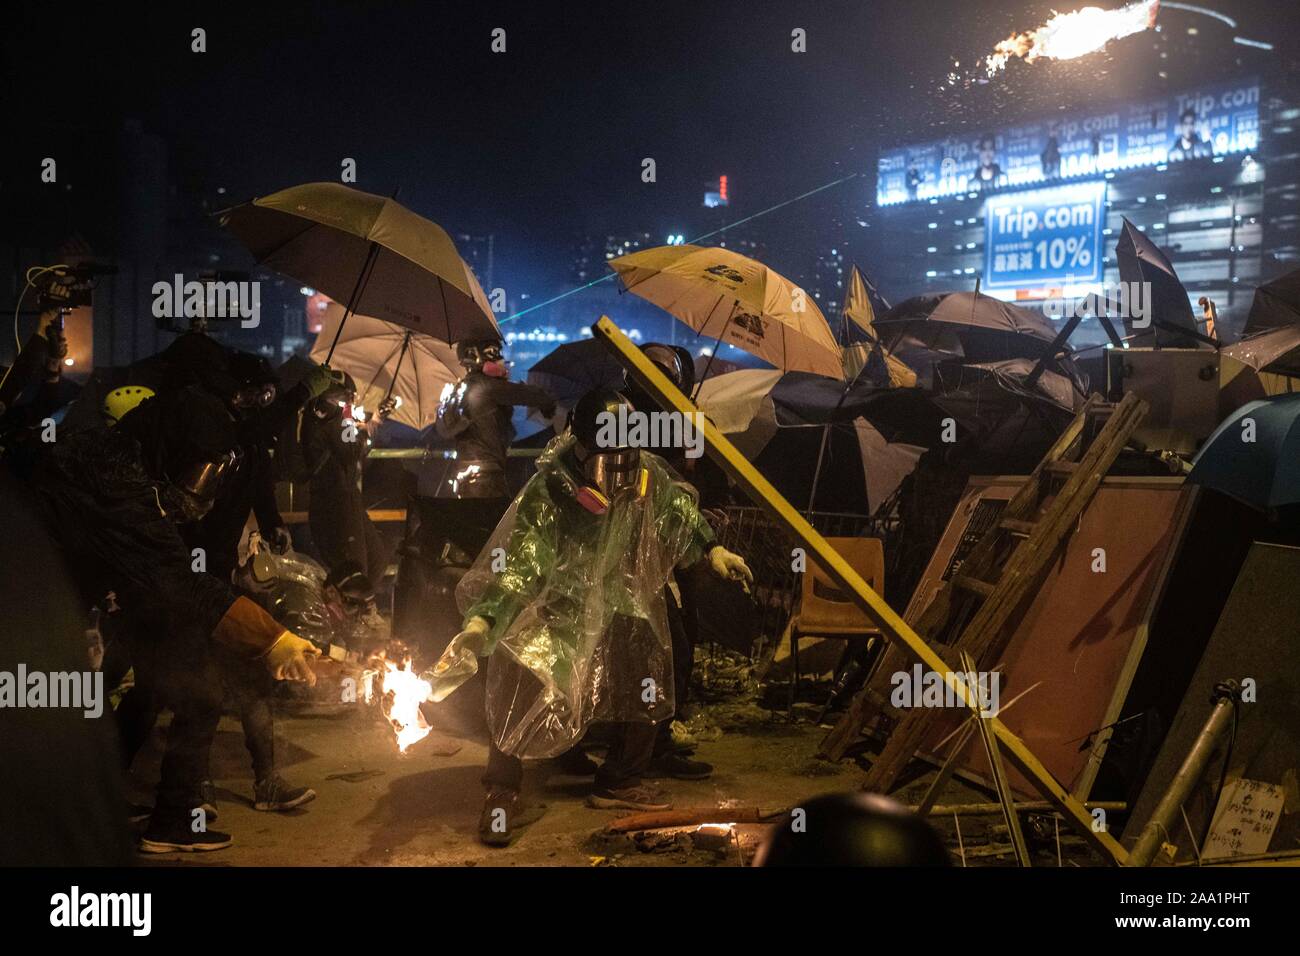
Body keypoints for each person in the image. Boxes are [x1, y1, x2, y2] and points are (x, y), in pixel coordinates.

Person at [429, 387, 752, 846]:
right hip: (558, 607)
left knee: (651, 664)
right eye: (607, 464)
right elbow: (520, 566)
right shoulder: (550, 494)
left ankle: (620, 778)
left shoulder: (645, 475)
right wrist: (483, 623)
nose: (617, 478)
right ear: (581, 452)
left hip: (616, 599)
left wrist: (711, 548)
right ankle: (503, 788)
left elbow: (676, 511)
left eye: (626, 461)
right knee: (521, 671)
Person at [30, 384, 320, 852]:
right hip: (28, 612)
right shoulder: (117, 486)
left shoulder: (116, 463)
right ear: (167, 445)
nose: (198, 484)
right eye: (195, 466)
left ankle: (163, 819)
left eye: (212, 471)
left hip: (56, 605)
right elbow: (182, 581)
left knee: (192, 691)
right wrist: (272, 639)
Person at [436, 337, 556, 499]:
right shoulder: (485, 386)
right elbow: (528, 394)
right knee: (496, 521)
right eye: (492, 353)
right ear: (474, 356)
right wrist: (547, 402)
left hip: (465, 472)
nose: (500, 359)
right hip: (487, 476)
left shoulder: (460, 390)